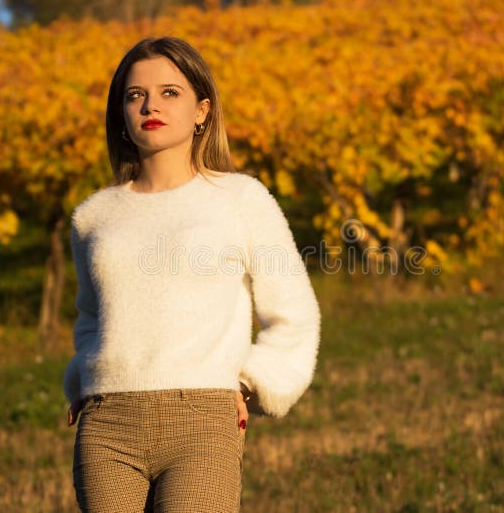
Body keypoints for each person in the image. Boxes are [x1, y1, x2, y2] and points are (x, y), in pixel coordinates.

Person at [63, 36, 321, 512]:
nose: (150, 105)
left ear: (202, 110)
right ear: (120, 113)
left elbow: (295, 315)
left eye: (169, 92)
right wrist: (82, 376)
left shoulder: (242, 200)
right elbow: (91, 319)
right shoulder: (93, 217)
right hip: (107, 425)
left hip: (203, 422)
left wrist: (250, 381)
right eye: (135, 95)